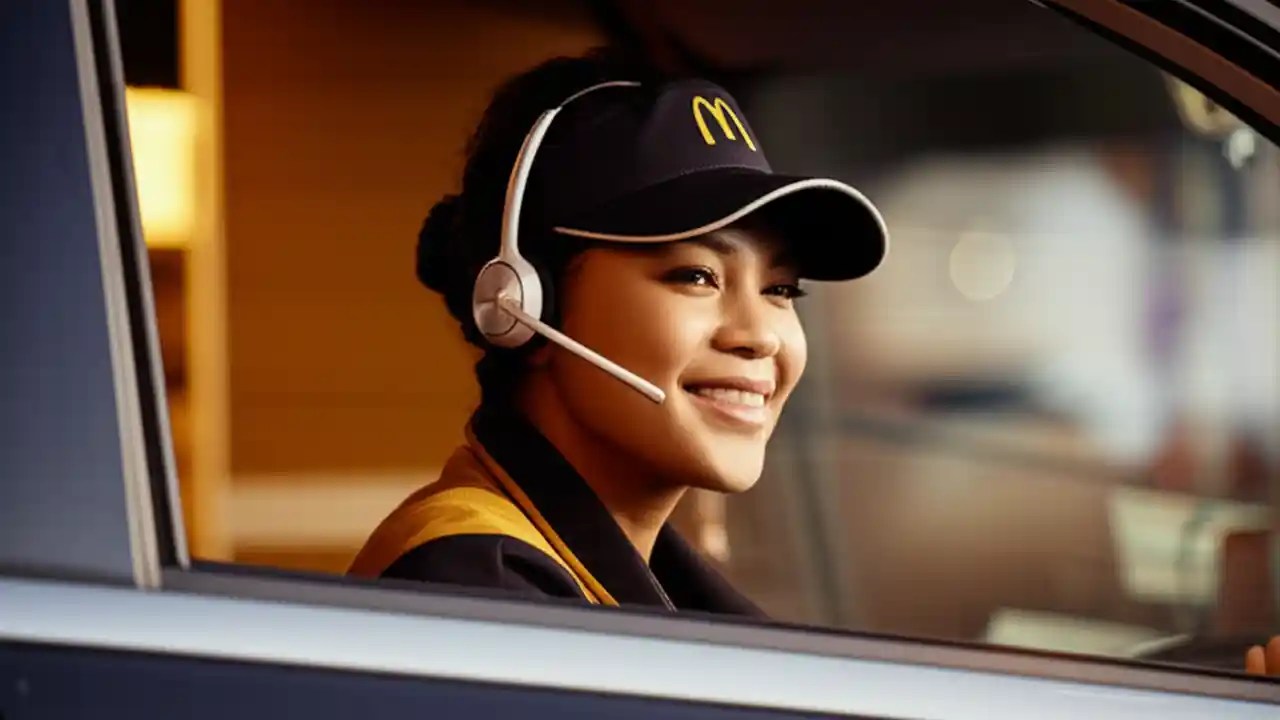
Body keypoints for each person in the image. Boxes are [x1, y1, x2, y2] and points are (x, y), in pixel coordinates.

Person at [347, 48, 1280, 672]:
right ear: (522, 297)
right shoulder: (480, 595)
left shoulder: (639, 583)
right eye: (695, 276)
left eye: (784, 289)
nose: (763, 332)